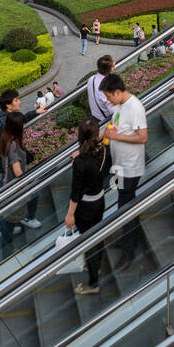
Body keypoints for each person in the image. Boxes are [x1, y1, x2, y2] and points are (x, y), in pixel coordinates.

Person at [100, 73, 149, 272]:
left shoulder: (135, 107)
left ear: (118, 92)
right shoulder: (120, 106)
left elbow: (143, 137)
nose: (107, 101)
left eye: (109, 96)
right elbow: (118, 129)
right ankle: (128, 239)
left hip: (130, 167)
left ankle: (128, 251)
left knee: (125, 208)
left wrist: (116, 135)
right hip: (121, 165)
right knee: (126, 203)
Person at [63, 117, 112, 295]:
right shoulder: (104, 151)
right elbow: (96, 147)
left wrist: (70, 214)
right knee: (96, 235)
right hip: (100, 200)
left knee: (89, 242)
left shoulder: (80, 162)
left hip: (85, 207)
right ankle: (96, 266)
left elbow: (76, 192)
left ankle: (93, 283)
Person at [0, 111, 42, 248]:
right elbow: (17, 170)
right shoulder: (13, 145)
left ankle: (5, 231)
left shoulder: (6, 138)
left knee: (10, 211)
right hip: (15, 184)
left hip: (9, 182)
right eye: (22, 124)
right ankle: (6, 238)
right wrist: (27, 182)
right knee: (14, 209)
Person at [0, 89, 20, 182]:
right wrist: (18, 172)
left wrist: (35, 112)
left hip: (2, 163)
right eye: (16, 100)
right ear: (8, 105)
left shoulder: (2, 115)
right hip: (9, 166)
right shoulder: (7, 123)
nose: (19, 102)